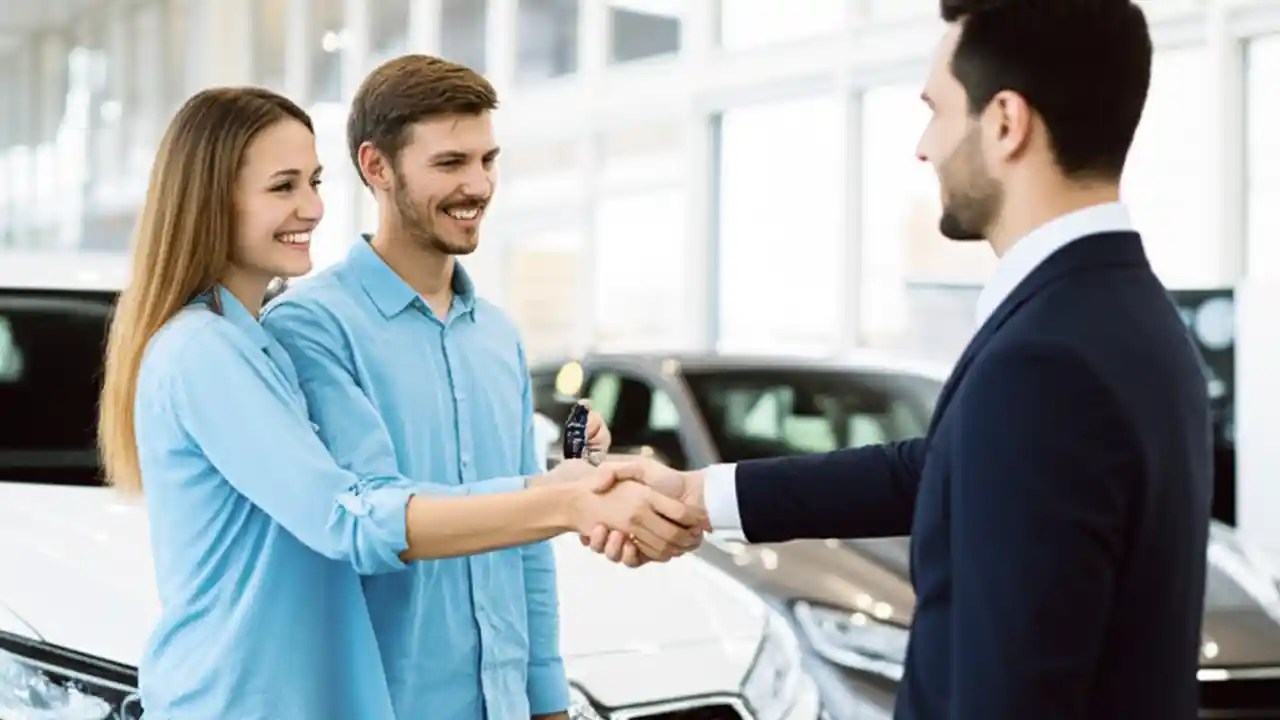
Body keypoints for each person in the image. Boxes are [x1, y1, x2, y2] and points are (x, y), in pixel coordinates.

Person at [592, 2, 1214, 719]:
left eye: (935, 111)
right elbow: (941, 469)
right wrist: (701, 497)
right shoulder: (1131, 318)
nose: (924, 147)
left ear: (1006, 123)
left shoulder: (1045, 361)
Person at [97, 86, 701, 720]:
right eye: (283, 187)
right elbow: (349, 518)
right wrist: (566, 501)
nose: (313, 207)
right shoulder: (208, 349)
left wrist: (562, 488)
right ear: (210, 199)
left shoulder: (250, 341)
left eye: (314, 182)